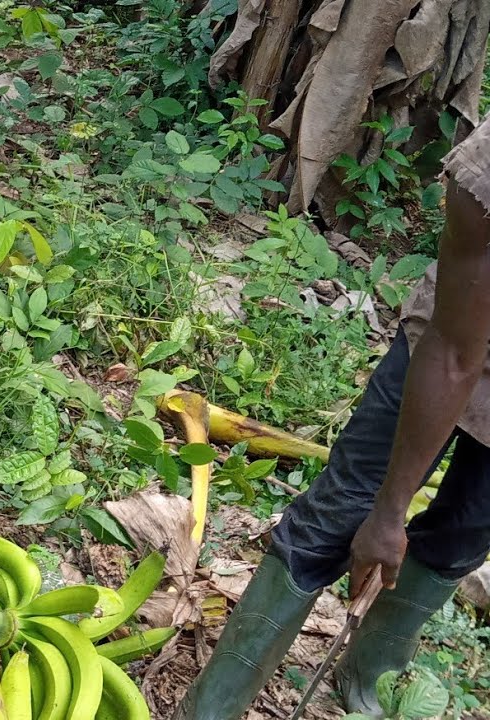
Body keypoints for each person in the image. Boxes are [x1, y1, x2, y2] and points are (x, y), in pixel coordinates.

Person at [172, 119, 490, 720]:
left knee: (466, 532)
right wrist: (390, 511)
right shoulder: (486, 183)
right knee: (345, 510)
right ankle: (212, 707)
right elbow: (453, 353)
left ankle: (366, 679)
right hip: (453, 337)